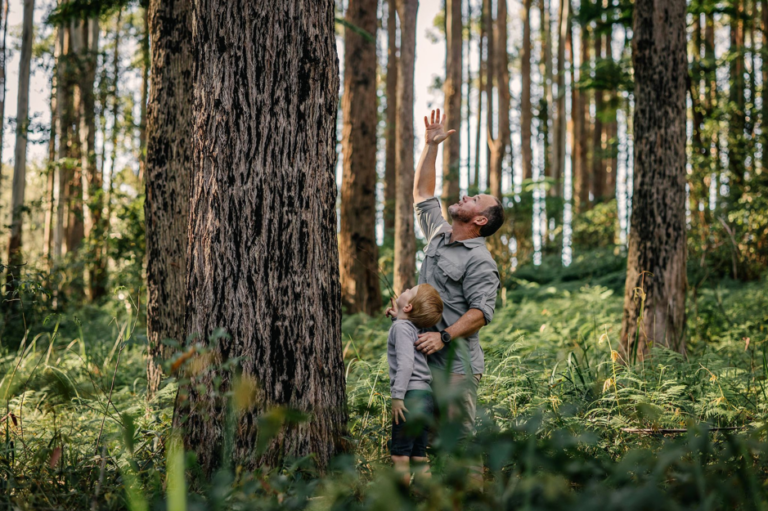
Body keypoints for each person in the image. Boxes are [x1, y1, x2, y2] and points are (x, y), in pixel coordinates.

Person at [411, 108, 503, 444]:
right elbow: (422, 194)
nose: (465, 196)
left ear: (480, 220)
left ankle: (471, 498)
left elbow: (480, 314)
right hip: (421, 359)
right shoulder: (439, 233)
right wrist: (431, 146)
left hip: (456, 366)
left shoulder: (481, 261)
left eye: (474, 200)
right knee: (422, 442)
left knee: (458, 446)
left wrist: (443, 337)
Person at [384, 284, 444, 487]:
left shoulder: (401, 328)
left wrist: (397, 396)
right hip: (425, 397)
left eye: (410, 290)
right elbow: (404, 332)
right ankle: (426, 499)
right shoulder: (408, 327)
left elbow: (406, 364)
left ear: (408, 307)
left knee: (400, 457)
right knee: (418, 455)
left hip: (409, 397)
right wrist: (396, 316)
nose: (406, 288)